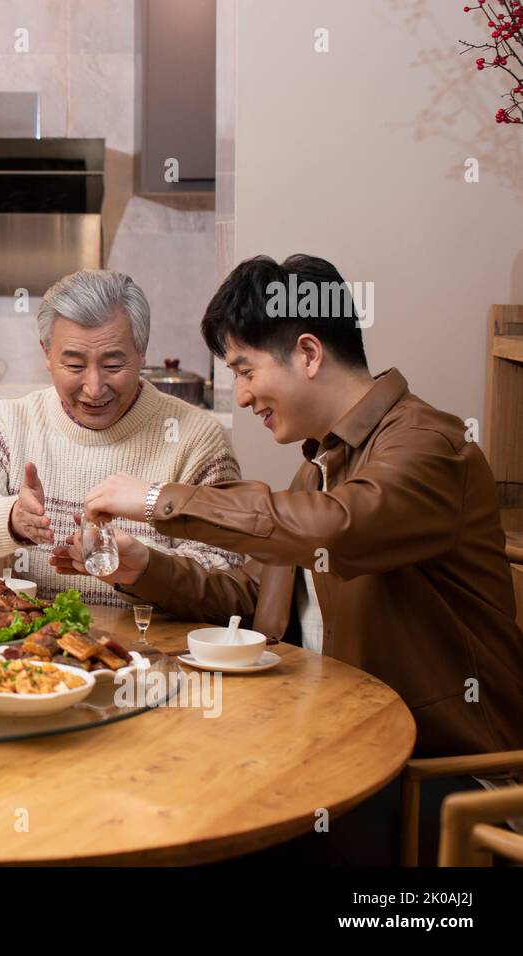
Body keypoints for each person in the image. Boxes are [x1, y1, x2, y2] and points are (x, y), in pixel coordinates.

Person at [70, 254, 523, 761]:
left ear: (308, 353)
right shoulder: (319, 465)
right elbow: (253, 597)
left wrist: (158, 498)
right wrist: (146, 568)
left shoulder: (430, 445)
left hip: (441, 770)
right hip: (335, 740)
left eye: (245, 370)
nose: (241, 396)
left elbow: (338, 531)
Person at [0, 269, 242, 603]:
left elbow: (228, 572)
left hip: (158, 646)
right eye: (74, 366)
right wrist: (13, 518)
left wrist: (143, 564)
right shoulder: (12, 422)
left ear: (142, 350)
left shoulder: (198, 438)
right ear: (47, 353)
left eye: (113, 366)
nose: (94, 387)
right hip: (36, 650)